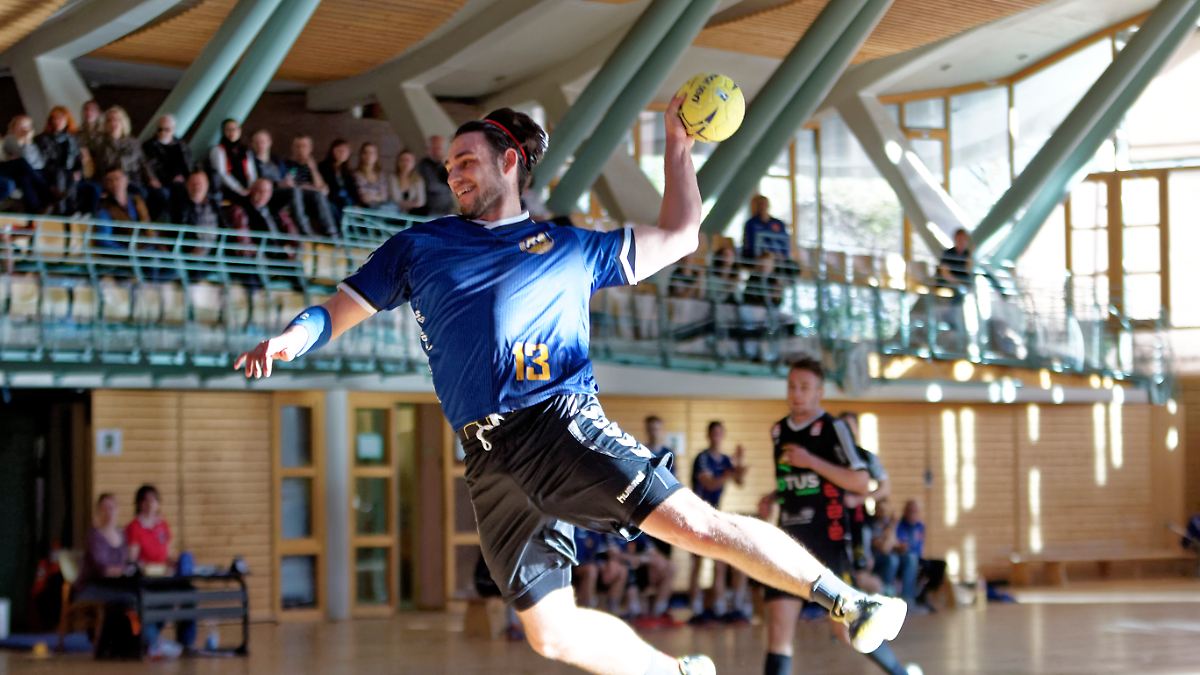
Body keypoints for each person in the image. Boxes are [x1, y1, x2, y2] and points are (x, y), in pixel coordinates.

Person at [234, 102, 905, 675]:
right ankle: (672, 672)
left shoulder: (569, 247)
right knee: (549, 632)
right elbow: (335, 311)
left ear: (509, 163)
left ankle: (849, 600)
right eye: (449, 165)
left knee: (694, 525)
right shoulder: (421, 246)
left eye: (466, 160)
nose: (453, 172)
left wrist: (677, 146)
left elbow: (680, 235)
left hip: (558, 423)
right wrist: (289, 340)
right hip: (487, 458)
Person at [758, 357, 914, 675]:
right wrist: (773, 497)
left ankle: (900, 672)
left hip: (827, 541)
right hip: (788, 538)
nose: (796, 394)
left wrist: (811, 461)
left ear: (819, 392)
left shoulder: (833, 428)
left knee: (845, 629)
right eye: (792, 386)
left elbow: (861, 481)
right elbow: (798, 482)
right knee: (778, 630)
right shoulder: (778, 431)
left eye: (804, 387)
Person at [687, 421, 749, 624]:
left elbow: (739, 481)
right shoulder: (702, 458)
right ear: (708, 435)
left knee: (719, 561)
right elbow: (710, 484)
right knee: (697, 562)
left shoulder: (725, 460)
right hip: (696, 513)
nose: (717, 436)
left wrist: (740, 463)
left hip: (714, 515)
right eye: (714, 433)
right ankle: (696, 608)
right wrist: (730, 472)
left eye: (720, 433)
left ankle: (718, 606)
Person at [126, 484, 196, 656]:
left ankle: (186, 641)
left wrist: (176, 562)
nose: (150, 504)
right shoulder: (135, 527)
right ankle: (152, 639)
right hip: (147, 578)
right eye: (146, 500)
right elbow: (133, 558)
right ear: (140, 503)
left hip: (165, 576)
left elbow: (168, 554)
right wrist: (147, 566)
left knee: (189, 591)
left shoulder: (162, 526)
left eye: (154, 500)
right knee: (157, 601)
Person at [895, 499, 946, 613]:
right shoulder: (900, 525)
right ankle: (908, 598)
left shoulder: (920, 526)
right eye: (911, 511)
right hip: (904, 558)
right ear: (905, 511)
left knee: (939, 565)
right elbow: (901, 545)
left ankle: (925, 594)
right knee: (912, 559)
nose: (913, 514)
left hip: (917, 557)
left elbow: (920, 546)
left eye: (915, 511)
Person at [286, 135, 338, 236]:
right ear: (293, 148)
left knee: (320, 196)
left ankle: (331, 232)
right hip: (295, 198)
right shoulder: (287, 164)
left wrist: (313, 169)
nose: (301, 149)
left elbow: (323, 189)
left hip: (313, 200)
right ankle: (305, 232)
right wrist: (310, 187)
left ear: (310, 148)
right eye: (298, 146)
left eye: (304, 146)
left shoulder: (316, 167)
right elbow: (290, 184)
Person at [142, 114, 194, 216]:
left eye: (167, 129)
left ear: (173, 130)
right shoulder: (148, 146)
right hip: (160, 182)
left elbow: (189, 165)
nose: (163, 133)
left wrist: (185, 177)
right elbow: (149, 167)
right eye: (160, 129)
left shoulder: (182, 146)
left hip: (180, 181)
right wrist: (170, 178)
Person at [35, 106, 82, 214]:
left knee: (70, 175)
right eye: (55, 118)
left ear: (67, 120)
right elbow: (45, 160)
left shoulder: (73, 139)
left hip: (68, 170)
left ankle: (71, 209)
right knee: (60, 174)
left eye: (61, 118)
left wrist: (78, 171)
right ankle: (61, 210)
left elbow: (77, 159)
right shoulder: (42, 138)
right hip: (50, 171)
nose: (58, 121)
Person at [174, 170, 224, 258]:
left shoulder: (214, 207)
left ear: (207, 185)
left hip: (213, 256)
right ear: (187, 185)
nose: (196, 187)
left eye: (200, 183)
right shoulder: (177, 207)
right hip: (184, 256)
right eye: (193, 184)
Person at [209, 118, 256, 202]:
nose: (232, 132)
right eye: (228, 129)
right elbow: (222, 173)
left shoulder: (245, 150)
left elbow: (251, 171)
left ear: (239, 131)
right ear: (223, 132)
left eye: (234, 129)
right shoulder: (218, 150)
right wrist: (239, 189)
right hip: (228, 189)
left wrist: (251, 187)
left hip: (248, 188)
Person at [741, 195, 791, 262]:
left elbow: (784, 242)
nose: (763, 206)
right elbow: (748, 244)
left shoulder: (779, 223)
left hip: (777, 258)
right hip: (758, 258)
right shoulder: (751, 223)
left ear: (768, 205)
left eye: (764, 204)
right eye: (760, 204)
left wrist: (781, 256)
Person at [318, 138, 359, 219]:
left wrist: (357, 204)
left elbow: (353, 189)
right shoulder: (323, 167)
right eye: (339, 150)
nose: (342, 153)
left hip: (347, 201)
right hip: (332, 199)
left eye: (345, 151)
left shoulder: (347, 171)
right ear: (332, 151)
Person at [413, 134, 452, 216]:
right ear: (428, 149)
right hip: (428, 211)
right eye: (434, 148)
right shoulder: (423, 165)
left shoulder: (448, 164)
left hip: (446, 210)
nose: (437, 151)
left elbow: (453, 185)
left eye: (439, 148)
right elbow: (431, 186)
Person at [353, 142, 391, 210]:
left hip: (380, 209)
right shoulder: (356, 175)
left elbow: (384, 196)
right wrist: (377, 196)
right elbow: (363, 196)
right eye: (365, 152)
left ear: (376, 156)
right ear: (361, 155)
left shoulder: (381, 175)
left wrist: (373, 197)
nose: (369, 155)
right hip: (362, 209)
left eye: (372, 153)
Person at [388, 149, 426, 214]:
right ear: (398, 162)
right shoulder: (392, 178)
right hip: (394, 212)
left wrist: (405, 205)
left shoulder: (418, 180)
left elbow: (421, 202)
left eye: (408, 160)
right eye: (402, 160)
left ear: (413, 163)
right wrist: (412, 204)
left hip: (412, 213)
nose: (405, 163)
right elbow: (395, 199)